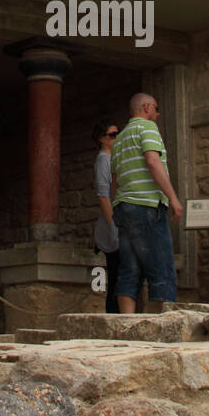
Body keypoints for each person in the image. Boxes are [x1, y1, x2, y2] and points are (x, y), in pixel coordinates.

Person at [110, 92, 183, 313]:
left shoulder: (120, 139)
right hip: (147, 205)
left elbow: (114, 181)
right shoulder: (147, 128)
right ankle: (160, 327)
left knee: (129, 270)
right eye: (157, 109)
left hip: (124, 207)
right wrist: (173, 198)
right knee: (162, 269)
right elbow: (153, 162)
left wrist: (119, 204)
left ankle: (127, 325)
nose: (158, 114)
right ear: (148, 107)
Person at [91, 119, 121, 314]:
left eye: (118, 133)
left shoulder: (113, 158)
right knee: (116, 275)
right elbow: (103, 195)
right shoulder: (104, 159)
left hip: (118, 223)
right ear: (102, 139)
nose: (116, 137)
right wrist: (113, 225)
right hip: (113, 226)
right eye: (112, 135)